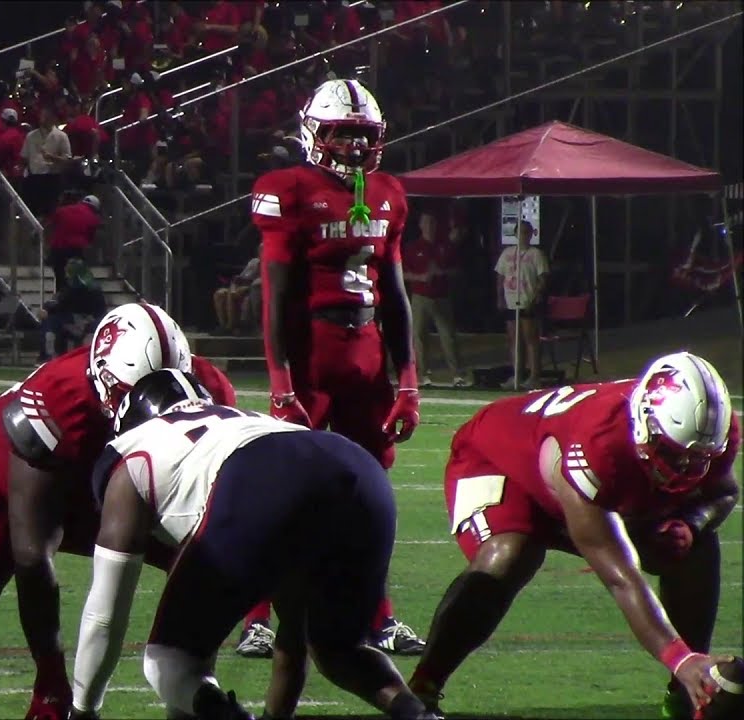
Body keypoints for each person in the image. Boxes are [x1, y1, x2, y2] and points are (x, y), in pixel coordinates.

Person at [0, 303, 235, 720]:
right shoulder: (57, 401)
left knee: (200, 559)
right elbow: (31, 552)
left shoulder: (211, 390)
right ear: (101, 377)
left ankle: (190, 693)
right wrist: (50, 676)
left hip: (110, 482)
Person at [73, 369, 438, 720]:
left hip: (255, 479)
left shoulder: (132, 451)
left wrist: (83, 710)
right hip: (358, 470)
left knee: (169, 660)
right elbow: (292, 635)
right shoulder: (243, 420)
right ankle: (417, 714)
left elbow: (105, 615)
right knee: (338, 649)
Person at [408, 352, 739, 719]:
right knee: (511, 555)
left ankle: (688, 693)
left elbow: (723, 492)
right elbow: (620, 576)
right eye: (672, 454)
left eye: (696, 460)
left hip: (588, 484)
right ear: (644, 423)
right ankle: (423, 685)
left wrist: (691, 523)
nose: (684, 469)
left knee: (693, 546)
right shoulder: (600, 444)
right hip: (498, 461)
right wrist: (680, 658)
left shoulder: (709, 435)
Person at [250, 77, 424, 656]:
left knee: (370, 495)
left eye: (362, 136)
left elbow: (396, 295)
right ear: (313, 134)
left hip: (367, 353)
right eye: (342, 135)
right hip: (311, 353)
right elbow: (275, 295)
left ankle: (377, 615)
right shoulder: (288, 189)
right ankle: (254, 614)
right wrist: (281, 383)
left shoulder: (389, 193)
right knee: (279, 492)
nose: (352, 147)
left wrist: (408, 381)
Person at [403, 212, 466, 387]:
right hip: (420, 297)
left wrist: (441, 273)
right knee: (419, 336)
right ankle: (422, 375)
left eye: (432, 223)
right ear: (421, 226)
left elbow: (457, 270)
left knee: (448, 336)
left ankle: (456, 375)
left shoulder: (444, 246)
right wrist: (420, 277)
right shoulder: (413, 247)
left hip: (442, 297)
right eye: (427, 223)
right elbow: (403, 273)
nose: (430, 226)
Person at [494, 220, 549, 388]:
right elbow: (501, 275)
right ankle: (517, 374)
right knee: (513, 339)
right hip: (511, 299)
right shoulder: (507, 253)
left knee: (530, 338)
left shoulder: (536, 254)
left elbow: (543, 277)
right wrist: (500, 296)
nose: (523, 236)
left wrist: (537, 295)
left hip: (527, 299)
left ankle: (534, 375)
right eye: (521, 232)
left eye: (527, 232)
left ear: (531, 234)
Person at [36, 257, 107, 361]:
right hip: (86, 320)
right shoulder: (92, 284)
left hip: (82, 321)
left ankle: (48, 356)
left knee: (50, 322)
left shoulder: (79, 286)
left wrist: (48, 309)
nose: (66, 274)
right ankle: (55, 355)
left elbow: (64, 304)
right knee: (55, 321)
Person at [45, 194, 101, 288]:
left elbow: (50, 224)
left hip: (58, 247)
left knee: (60, 274)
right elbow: (90, 238)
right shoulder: (93, 218)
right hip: (76, 249)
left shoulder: (63, 210)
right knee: (77, 276)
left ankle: (60, 294)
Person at [212, 245, 262, 335]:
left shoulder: (267, 263)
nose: (261, 252)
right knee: (219, 294)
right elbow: (243, 275)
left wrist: (246, 281)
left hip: (250, 286)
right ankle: (223, 325)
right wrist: (238, 279)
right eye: (260, 250)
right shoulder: (253, 262)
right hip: (241, 284)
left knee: (232, 294)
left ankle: (230, 326)